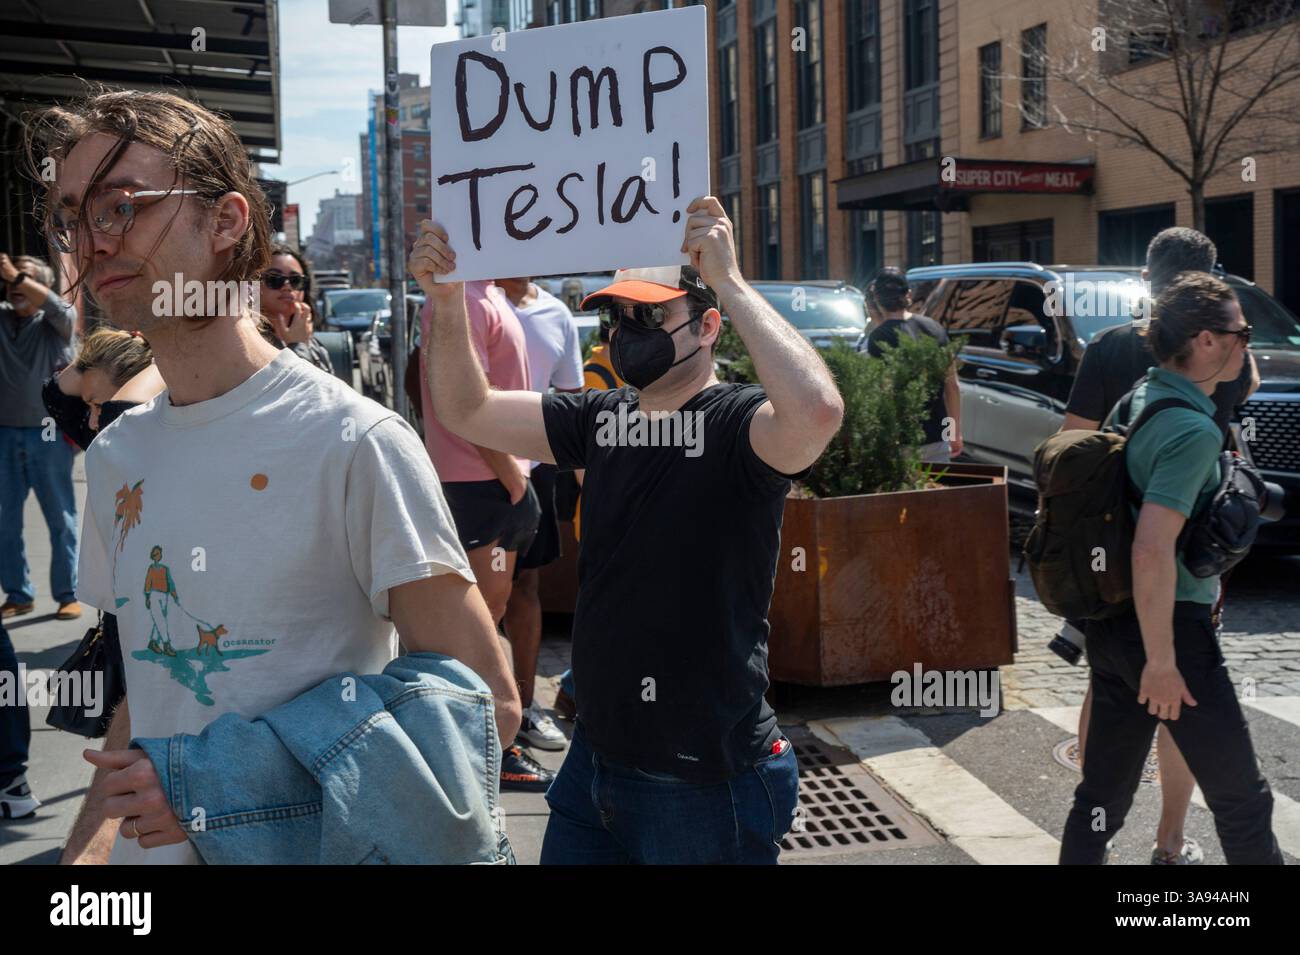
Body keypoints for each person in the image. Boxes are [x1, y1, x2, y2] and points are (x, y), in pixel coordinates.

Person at [27, 88, 519, 864]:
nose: (91, 243)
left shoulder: (355, 441)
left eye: (120, 205)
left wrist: (220, 790)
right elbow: (155, 682)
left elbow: (485, 701)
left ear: (226, 222)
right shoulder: (119, 454)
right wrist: (85, 859)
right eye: (71, 215)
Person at [411, 196, 844, 864]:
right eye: (617, 315)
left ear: (706, 328)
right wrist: (445, 302)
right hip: (596, 759)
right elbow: (467, 408)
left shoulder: (739, 424)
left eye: (649, 314)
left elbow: (816, 412)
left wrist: (728, 279)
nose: (625, 328)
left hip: (701, 780)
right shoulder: (599, 417)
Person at [1059, 272, 1282, 865]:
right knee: (1241, 800)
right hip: (1170, 633)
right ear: (1206, 341)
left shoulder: (1138, 399)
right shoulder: (1189, 429)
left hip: (1111, 625)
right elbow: (1152, 548)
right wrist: (1161, 662)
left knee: (1100, 800)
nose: (1248, 345)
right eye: (1243, 332)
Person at [417, 283, 552, 792]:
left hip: (498, 478)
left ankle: (484, 746)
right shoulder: (463, 298)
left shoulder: (487, 293)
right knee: (474, 627)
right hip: (482, 482)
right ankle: (486, 750)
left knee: (486, 619)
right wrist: (515, 482)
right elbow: (461, 401)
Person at [495, 276, 582, 752]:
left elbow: (571, 403)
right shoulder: (467, 301)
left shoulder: (556, 313)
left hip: (537, 469)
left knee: (526, 587)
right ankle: (481, 712)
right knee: (479, 597)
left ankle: (525, 708)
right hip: (473, 472)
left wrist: (597, 486)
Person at [0, 252, 81, 620]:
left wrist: (17, 277)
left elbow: (61, 309)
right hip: (5, 433)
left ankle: (67, 594)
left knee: (59, 519)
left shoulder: (56, 321)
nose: (16, 284)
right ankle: (18, 594)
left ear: (41, 286)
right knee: (6, 521)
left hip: (48, 434)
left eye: (25, 278)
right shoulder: (3, 318)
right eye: (12, 278)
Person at [858, 267, 963, 462]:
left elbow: (882, 393)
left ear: (878, 300)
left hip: (900, 442)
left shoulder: (879, 338)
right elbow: (952, 386)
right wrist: (954, 433)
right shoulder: (934, 328)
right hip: (938, 438)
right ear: (908, 294)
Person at [259, 244, 333, 375]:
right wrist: (297, 346)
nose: (287, 287)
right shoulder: (248, 344)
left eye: (295, 280)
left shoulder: (316, 347)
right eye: (274, 279)